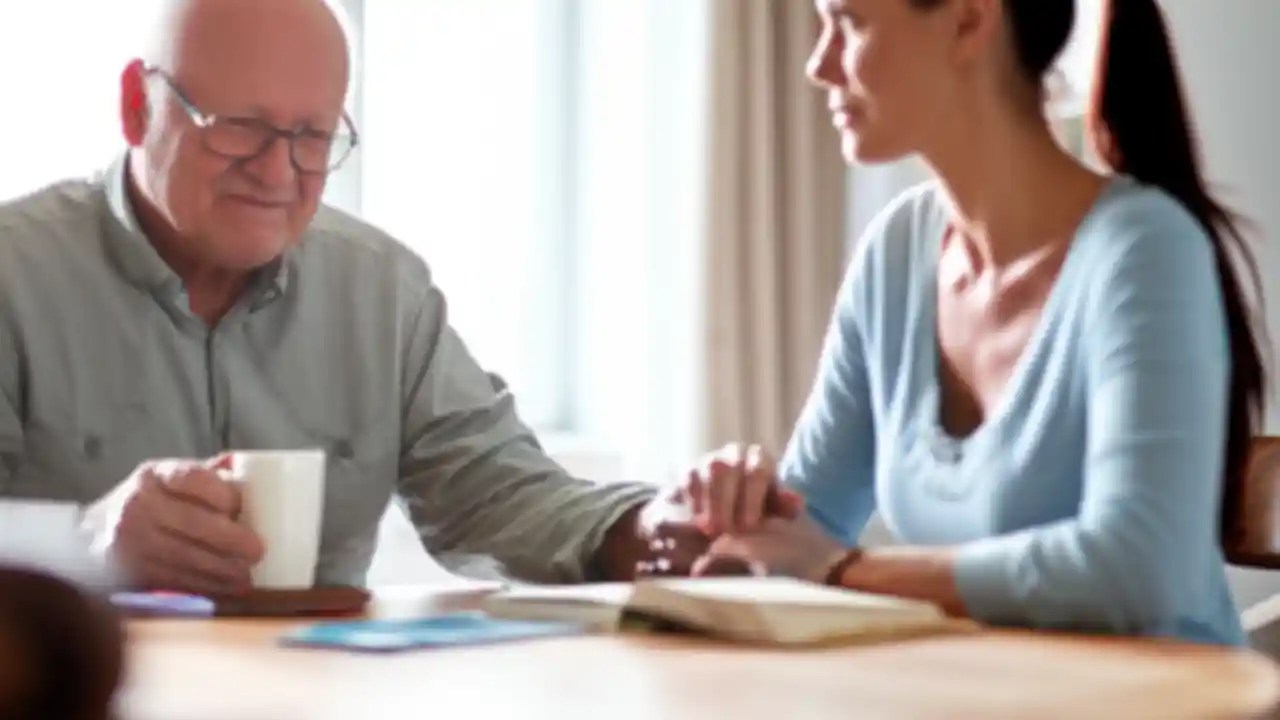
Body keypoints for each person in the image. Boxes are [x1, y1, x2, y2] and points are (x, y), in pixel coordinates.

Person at [0, 0, 706, 595]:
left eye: (312, 136)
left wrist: (648, 531)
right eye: (240, 128)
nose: (278, 172)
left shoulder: (382, 292)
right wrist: (85, 541)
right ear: (136, 106)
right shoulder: (13, 277)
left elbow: (496, 494)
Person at [683, 0, 1265, 645]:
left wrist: (845, 570)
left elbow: (1140, 570)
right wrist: (742, 507)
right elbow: (805, 529)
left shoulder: (1145, 248)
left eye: (849, 23)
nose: (819, 66)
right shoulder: (897, 252)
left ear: (967, 19)